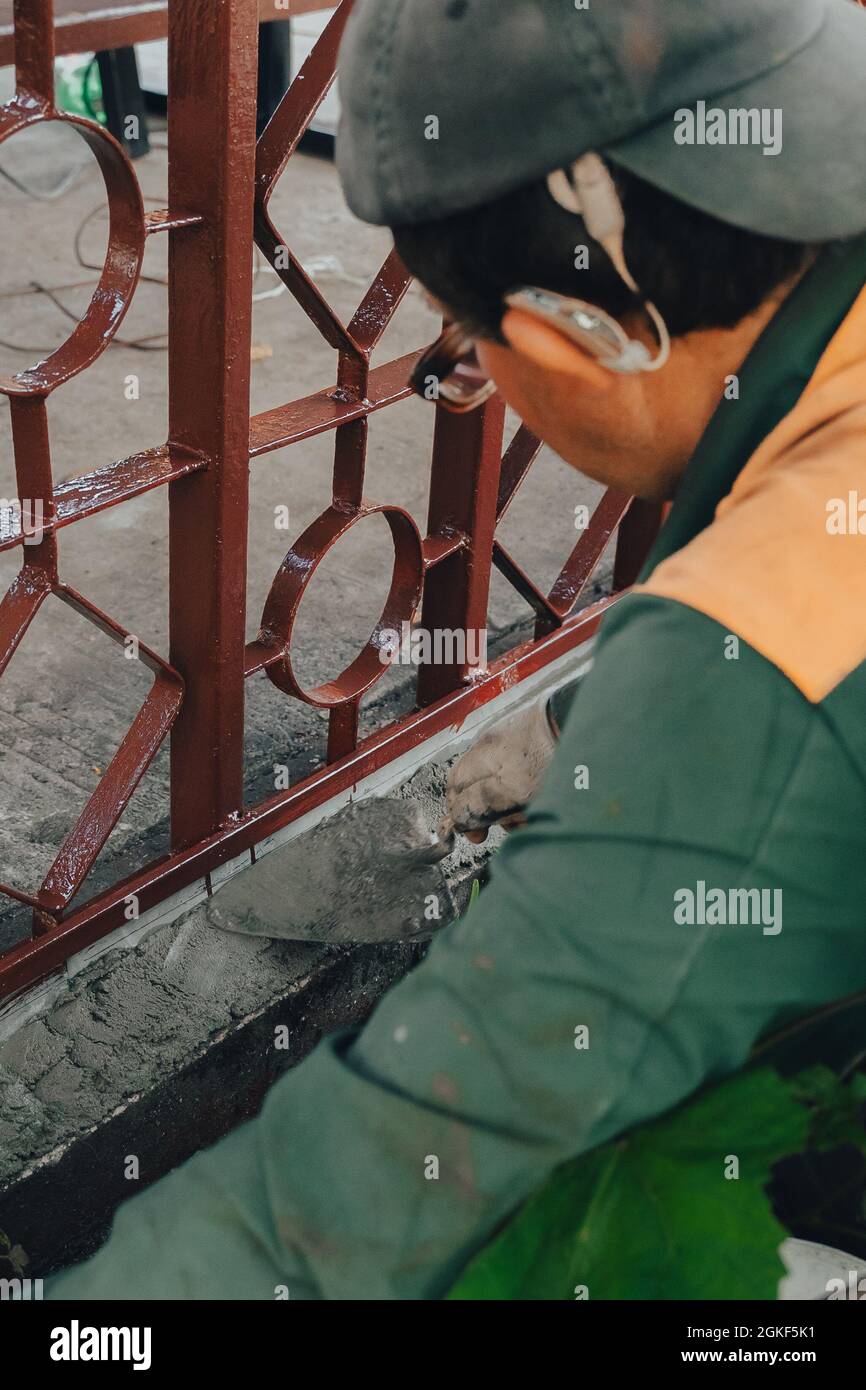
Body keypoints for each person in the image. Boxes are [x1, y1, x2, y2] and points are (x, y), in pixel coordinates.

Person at [50, 0, 866, 1300]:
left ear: (565, 339)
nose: (465, 370)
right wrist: (587, 725)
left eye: (461, 346)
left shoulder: (762, 651)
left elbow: (370, 1187)